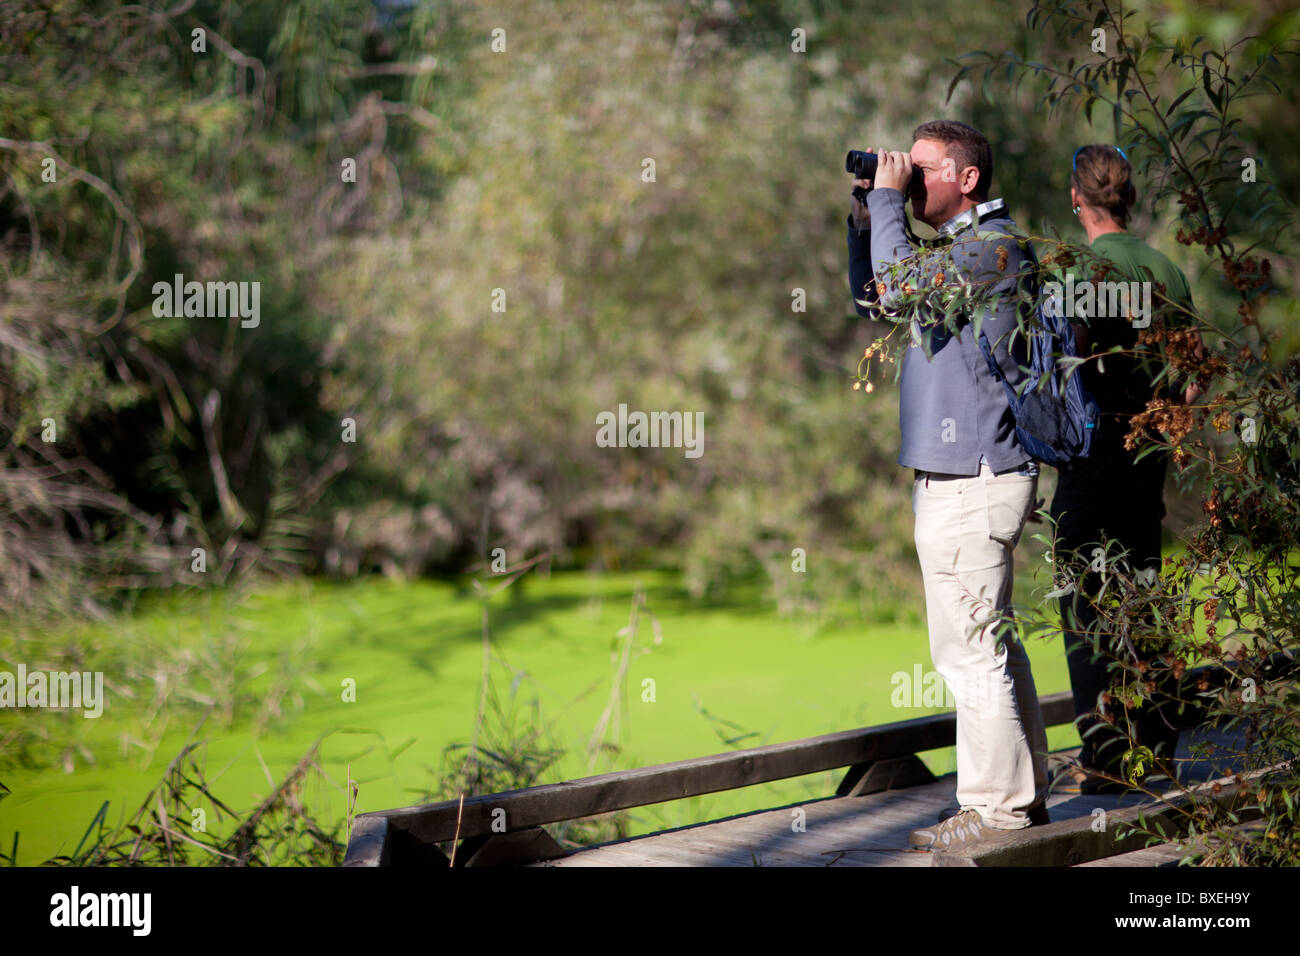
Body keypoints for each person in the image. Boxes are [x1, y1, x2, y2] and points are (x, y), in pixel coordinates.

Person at [847, 120, 1051, 849]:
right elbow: (878, 298)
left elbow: (901, 289)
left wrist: (885, 208)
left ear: (968, 179)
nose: (911, 179)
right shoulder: (963, 252)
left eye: (924, 169)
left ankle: (997, 810)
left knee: (969, 652)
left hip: (973, 476)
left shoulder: (992, 248)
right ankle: (1022, 797)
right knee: (991, 645)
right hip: (964, 476)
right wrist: (865, 212)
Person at [1048, 145, 1200, 794]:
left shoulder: (1079, 271)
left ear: (1076, 198)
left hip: (1092, 454)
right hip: (1149, 455)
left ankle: (1106, 757)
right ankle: (1157, 749)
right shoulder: (1167, 270)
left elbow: (1066, 371)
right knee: (1141, 598)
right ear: (1127, 197)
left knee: (1086, 607)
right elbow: (1192, 381)